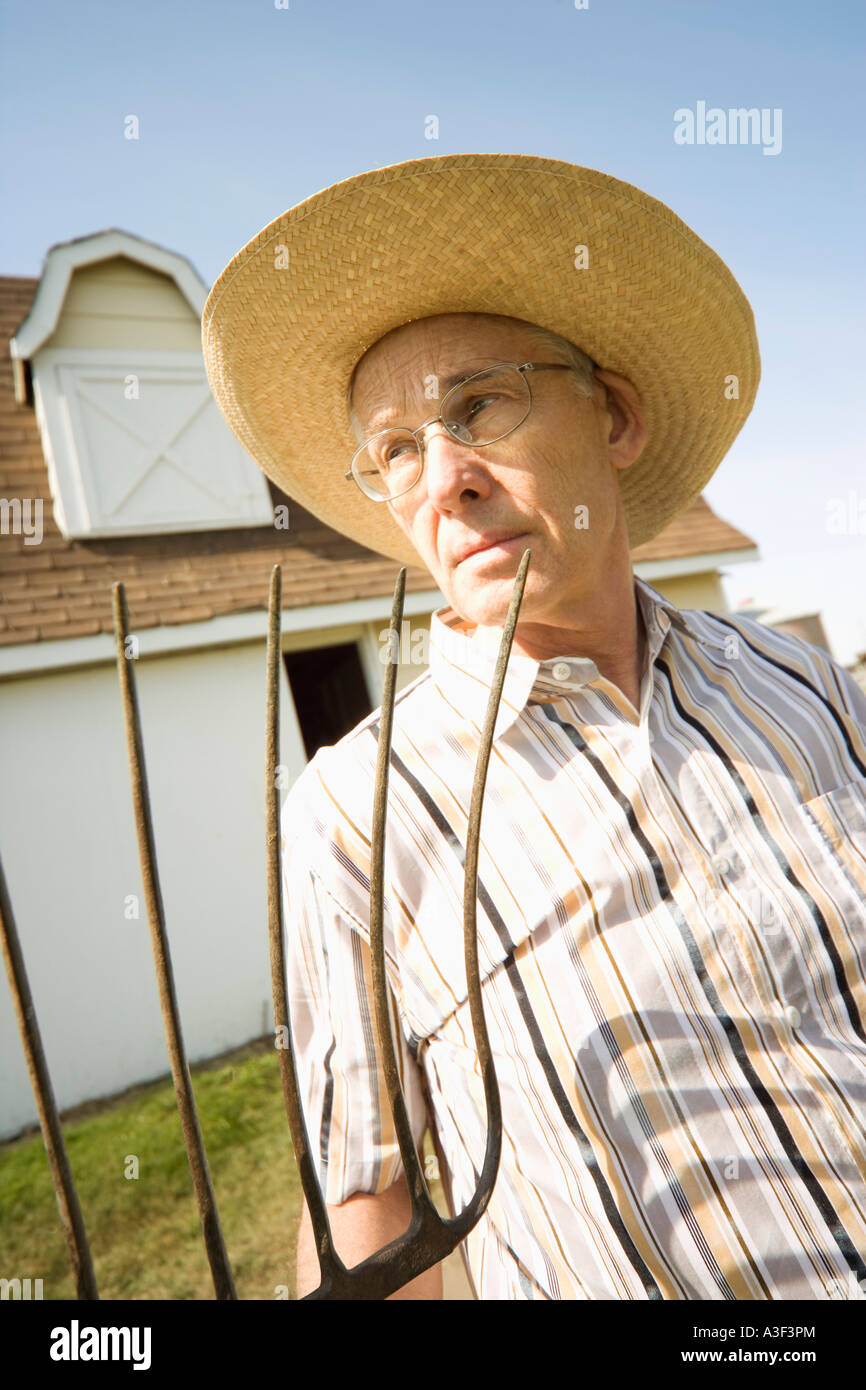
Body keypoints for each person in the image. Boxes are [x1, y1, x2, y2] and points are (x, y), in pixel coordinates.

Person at [203, 154, 866, 1300]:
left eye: (477, 405)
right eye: (395, 449)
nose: (441, 480)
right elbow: (366, 1199)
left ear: (613, 416)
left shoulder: (803, 690)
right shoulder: (359, 815)